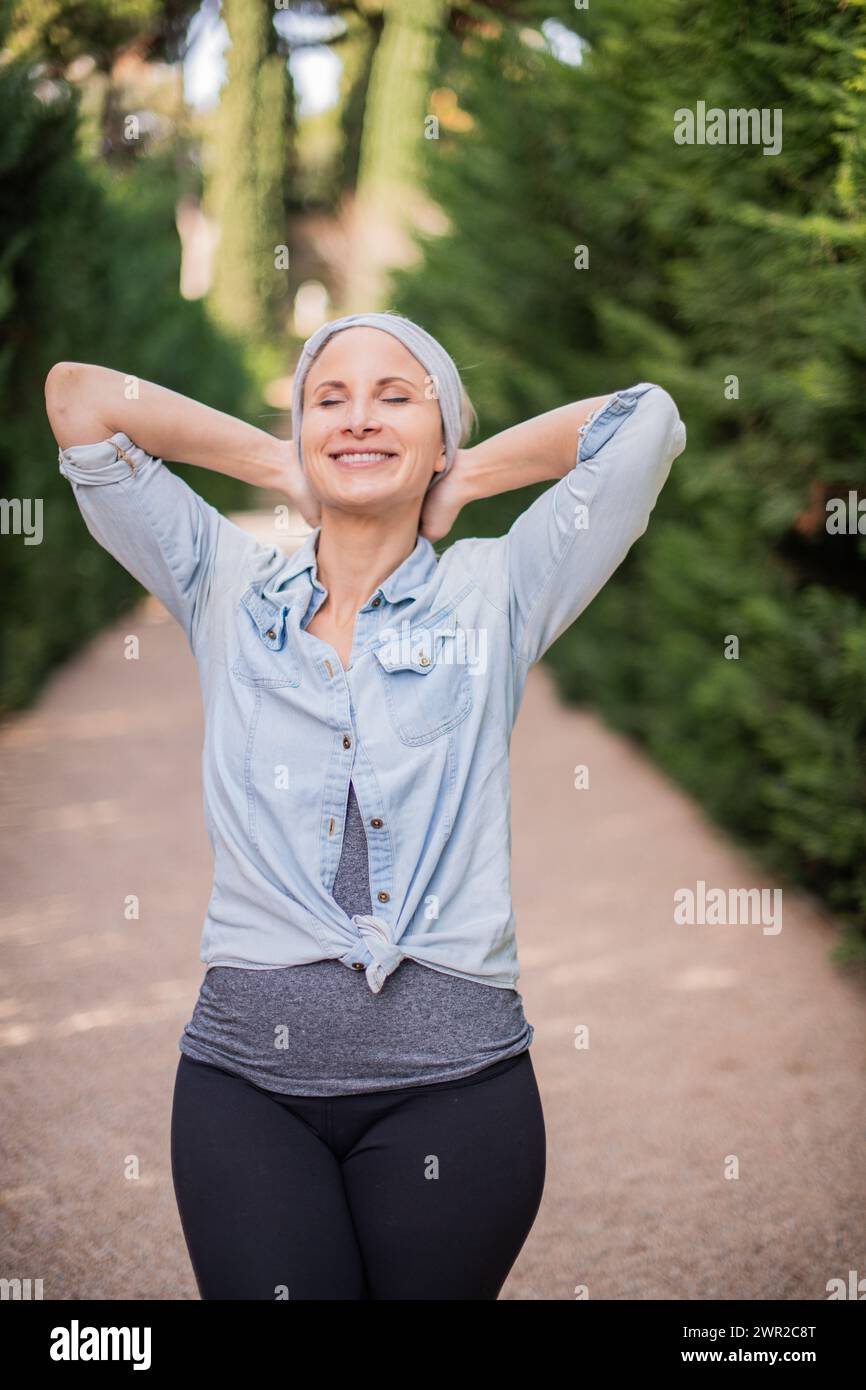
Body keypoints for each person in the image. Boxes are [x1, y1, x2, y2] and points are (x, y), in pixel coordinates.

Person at [45, 310, 687, 1300]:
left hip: (457, 1093)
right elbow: (79, 397)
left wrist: (463, 478)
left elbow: (645, 421)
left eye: (396, 398)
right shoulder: (224, 581)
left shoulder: (497, 590)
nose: (358, 419)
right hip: (243, 1090)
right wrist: (277, 463)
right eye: (328, 399)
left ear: (442, 432)